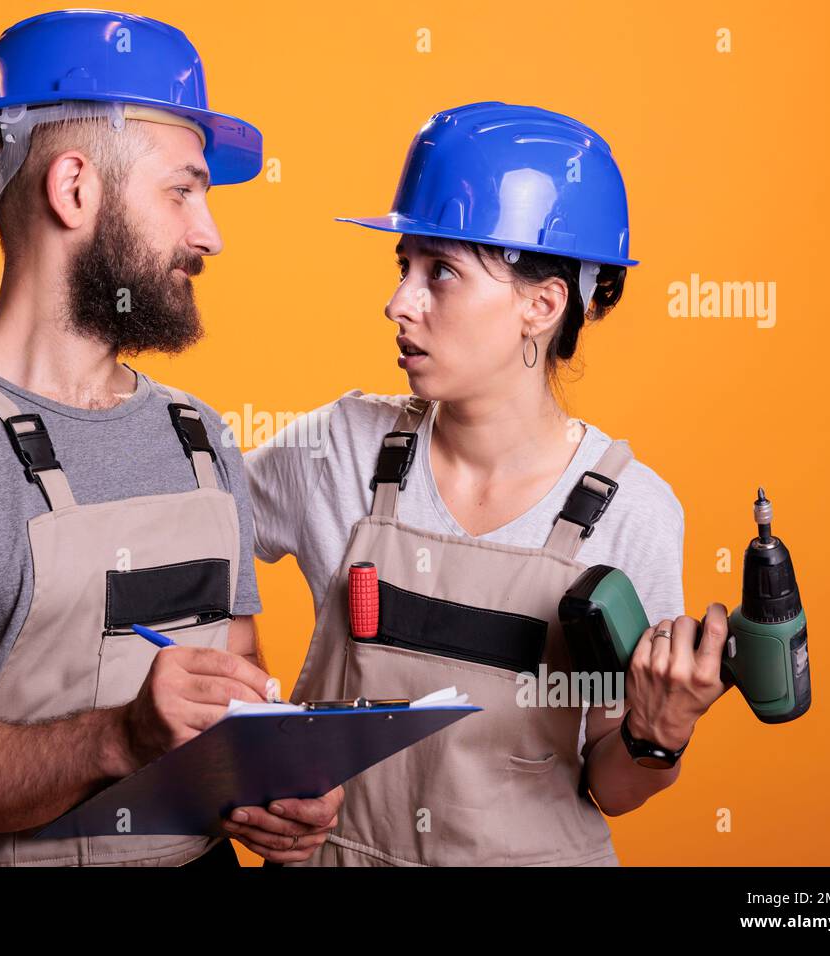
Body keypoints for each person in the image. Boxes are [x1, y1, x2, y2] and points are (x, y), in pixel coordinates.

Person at [0, 9, 341, 868]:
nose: (211, 234)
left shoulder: (199, 438)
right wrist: (116, 739)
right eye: (183, 189)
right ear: (74, 188)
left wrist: (274, 782)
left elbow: (234, 678)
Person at [239, 102, 731, 866]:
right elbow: (201, 541)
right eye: (402, 266)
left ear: (542, 305)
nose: (399, 302)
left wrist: (656, 734)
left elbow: (614, 786)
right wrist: (251, 741)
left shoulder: (632, 512)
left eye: (441, 271)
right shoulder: (340, 446)